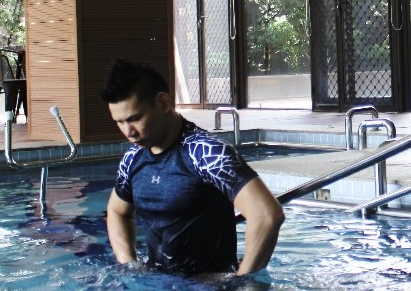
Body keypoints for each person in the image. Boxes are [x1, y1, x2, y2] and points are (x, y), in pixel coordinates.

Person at [100, 59, 285, 276]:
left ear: (163, 102)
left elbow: (266, 214)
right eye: (119, 122)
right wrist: (130, 266)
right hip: (158, 286)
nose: (128, 132)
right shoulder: (133, 158)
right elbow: (117, 211)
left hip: (211, 289)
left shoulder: (206, 153)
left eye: (135, 118)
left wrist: (242, 285)